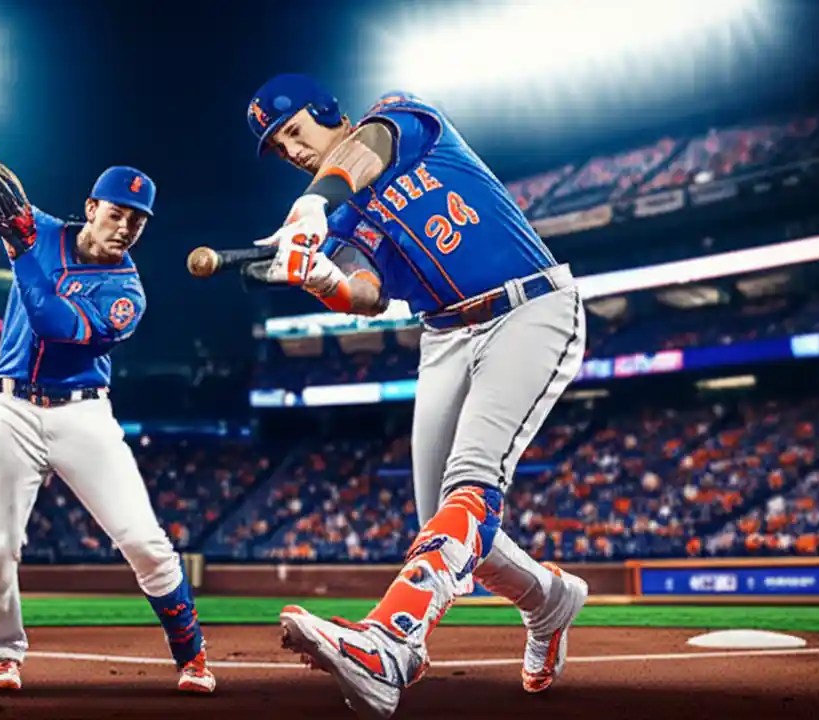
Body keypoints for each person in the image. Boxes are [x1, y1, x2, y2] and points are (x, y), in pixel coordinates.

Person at [245, 74, 588, 718]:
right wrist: (322, 277)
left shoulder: (399, 117)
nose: (290, 150)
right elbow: (367, 292)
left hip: (529, 307)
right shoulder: (345, 217)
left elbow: (369, 147)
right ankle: (548, 600)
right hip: (444, 337)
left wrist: (310, 206)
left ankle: (391, 643)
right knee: (451, 531)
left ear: (327, 110)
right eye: (278, 147)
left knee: (470, 488)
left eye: (293, 131)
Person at [0, 155, 215, 694]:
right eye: (116, 214)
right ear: (91, 208)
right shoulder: (41, 229)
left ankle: (192, 656)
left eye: (137, 221)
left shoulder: (127, 295)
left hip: (82, 415)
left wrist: (19, 247)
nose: (124, 227)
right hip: (10, 410)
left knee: (143, 541)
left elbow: (51, 322)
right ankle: (0, 656)